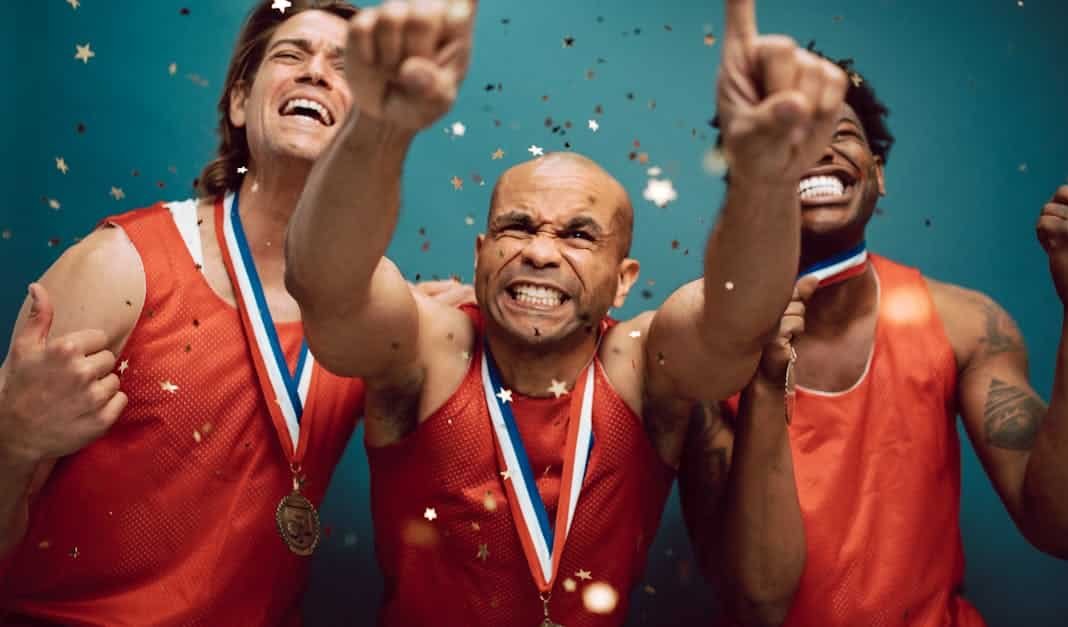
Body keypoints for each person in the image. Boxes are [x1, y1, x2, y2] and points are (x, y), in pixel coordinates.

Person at [282, 1, 849, 624]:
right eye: (516, 226)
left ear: (623, 280)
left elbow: (738, 319)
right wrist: (378, 126)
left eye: (579, 236)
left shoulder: (640, 365)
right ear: (480, 253)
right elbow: (326, 285)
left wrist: (762, 180)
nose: (539, 253)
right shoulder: (430, 348)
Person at [0, 1, 465, 623]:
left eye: (346, 67)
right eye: (291, 55)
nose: (317, 74)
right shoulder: (122, 266)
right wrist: (11, 439)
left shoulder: (374, 315)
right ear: (242, 103)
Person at [678, 42, 1068, 627]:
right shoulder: (697, 345)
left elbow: (1064, 524)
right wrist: (758, 370)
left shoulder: (965, 325)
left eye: (840, 129)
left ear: (877, 174)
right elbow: (759, 602)